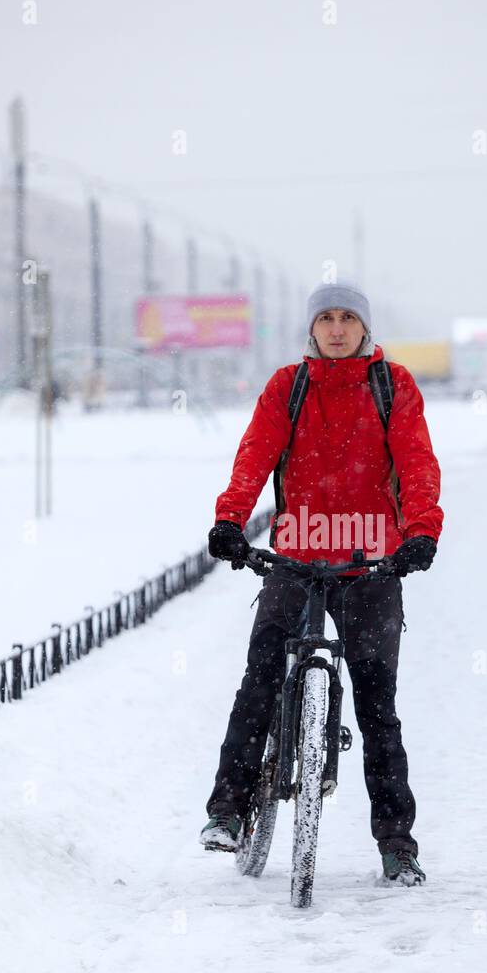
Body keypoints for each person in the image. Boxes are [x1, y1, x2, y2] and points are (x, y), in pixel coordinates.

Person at [202, 280, 443, 886]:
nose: (337, 329)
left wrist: (421, 531)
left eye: (348, 319)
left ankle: (397, 845)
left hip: (371, 565)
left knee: (376, 707)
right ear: (311, 328)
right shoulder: (290, 386)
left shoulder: (393, 386)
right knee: (258, 681)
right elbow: (255, 455)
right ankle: (227, 812)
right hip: (296, 560)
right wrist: (230, 519)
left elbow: (416, 462)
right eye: (326, 319)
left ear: (365, 328)